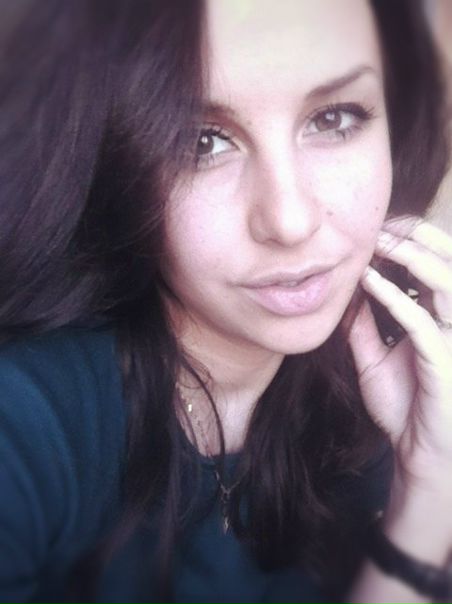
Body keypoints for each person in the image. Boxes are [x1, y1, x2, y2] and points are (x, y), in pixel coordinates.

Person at [0, 0, 451, 602]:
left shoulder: (385, 392)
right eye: (202, 141)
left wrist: (429, 487)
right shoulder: (24, 424)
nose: (289, 222)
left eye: (334, 118)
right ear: (114, 160)